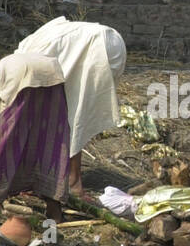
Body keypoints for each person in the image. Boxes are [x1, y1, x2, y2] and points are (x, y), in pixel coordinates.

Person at [15, 17, 126, 200]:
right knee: (72, 111)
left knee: (74, 112)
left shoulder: (26, 61)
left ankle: (73, 182)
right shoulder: (29, 48)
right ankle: (68, 179)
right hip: (109, 40)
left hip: (97, 47)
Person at [0, 52, 69, 223]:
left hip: (21, 75)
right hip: (53, 70)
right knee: (50, 140)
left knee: (7, 144)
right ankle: (54, 210)